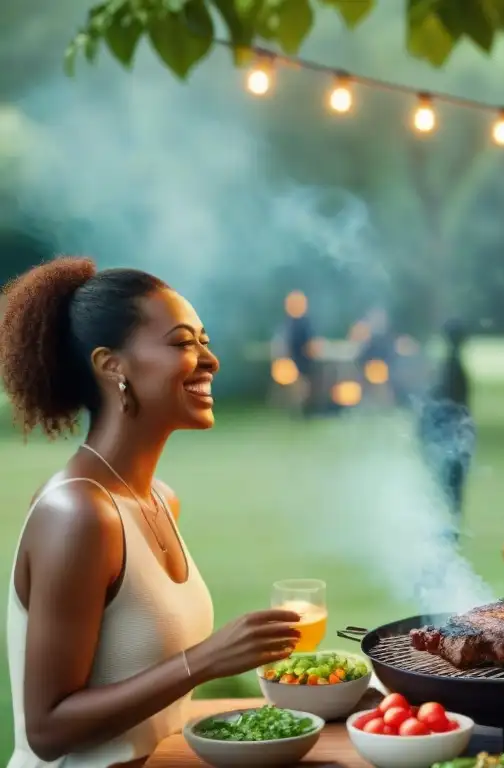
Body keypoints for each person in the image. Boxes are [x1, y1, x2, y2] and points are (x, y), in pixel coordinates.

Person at [0, 256, 302, 768]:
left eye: (204, 340)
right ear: (112, 365)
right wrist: (205, 661)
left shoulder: (160, 497)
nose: (209, 360)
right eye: (183, 342)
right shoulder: (79, 514)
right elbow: (46, 730)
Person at [416, 319, 475, 541]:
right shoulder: (454, 368)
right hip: (452, 438)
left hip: (451, 438)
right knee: (450, 487)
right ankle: (447, 527)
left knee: (448, 485)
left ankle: (446, 527)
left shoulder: (448, 368)